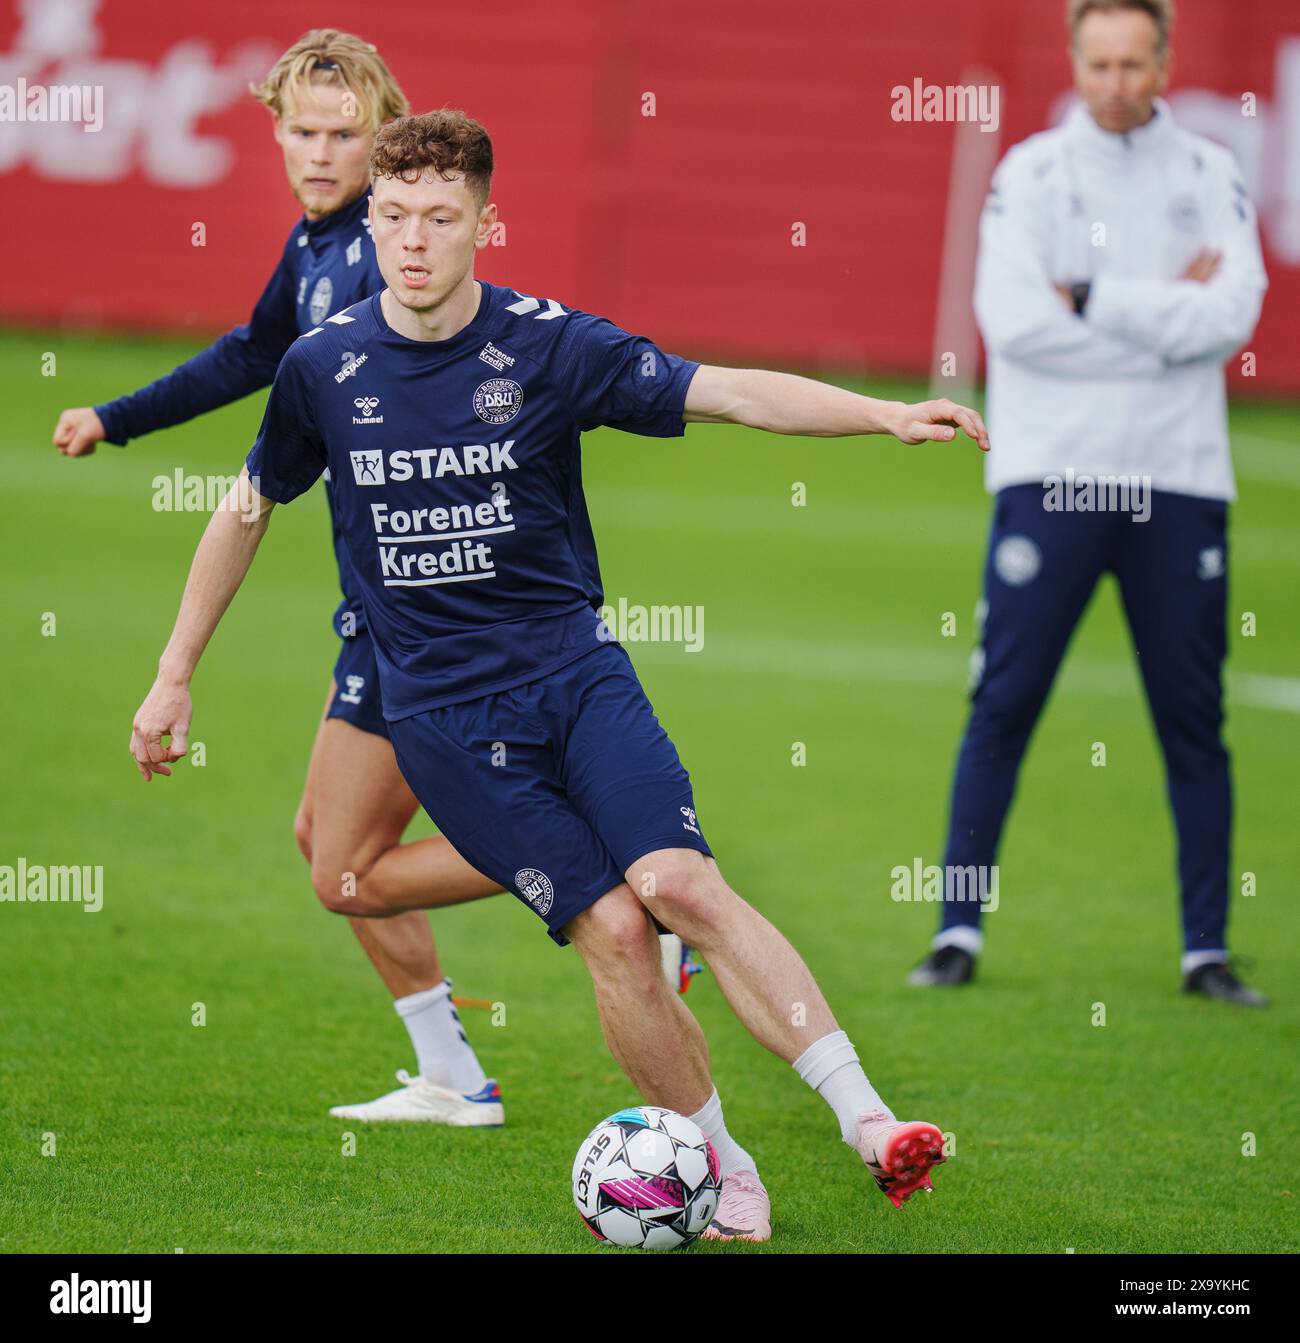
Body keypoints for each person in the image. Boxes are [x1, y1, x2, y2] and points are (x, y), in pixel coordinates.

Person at [128, 108, 989, 1242]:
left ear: (488, 221)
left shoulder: (550, 346)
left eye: (440, 217)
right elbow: (246, 510)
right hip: (439, 716)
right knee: (617, 932)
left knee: (681, 886)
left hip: (577, 677)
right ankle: (719, 1165)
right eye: (392, 218)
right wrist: (173, 672)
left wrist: (881, 415)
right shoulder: (323, 366)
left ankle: (870, 1121)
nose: (413, 242)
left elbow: (726, 390)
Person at [52, 29, 512, 1125]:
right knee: (330, 844)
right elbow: (256, 351)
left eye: (344, 134)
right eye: (300, 131)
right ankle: (453, 1072)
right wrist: (119, 417)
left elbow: (280, 457)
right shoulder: (317, 246)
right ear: (274, 130)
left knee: (346, 864)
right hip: (386, 604)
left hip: (434, 605)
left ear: (383, 133)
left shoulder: (377, 255)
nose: (318, 152)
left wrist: (180, 659)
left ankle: (621, 872)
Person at [907, 0, 1268, 1005]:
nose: (1116, 81)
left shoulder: (1209, 171)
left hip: (1178, 478)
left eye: (1134, 62)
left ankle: (1205, 947)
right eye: (1099, 62)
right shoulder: (1030, 173)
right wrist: (1162, 309)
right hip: (1050, 473)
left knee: (1190, 717)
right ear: (1074, 59)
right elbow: (1012, 322)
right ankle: (956, 927)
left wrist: (1093, 295)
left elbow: (1230, 314)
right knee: (1004, 701)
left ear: (1163, 62)